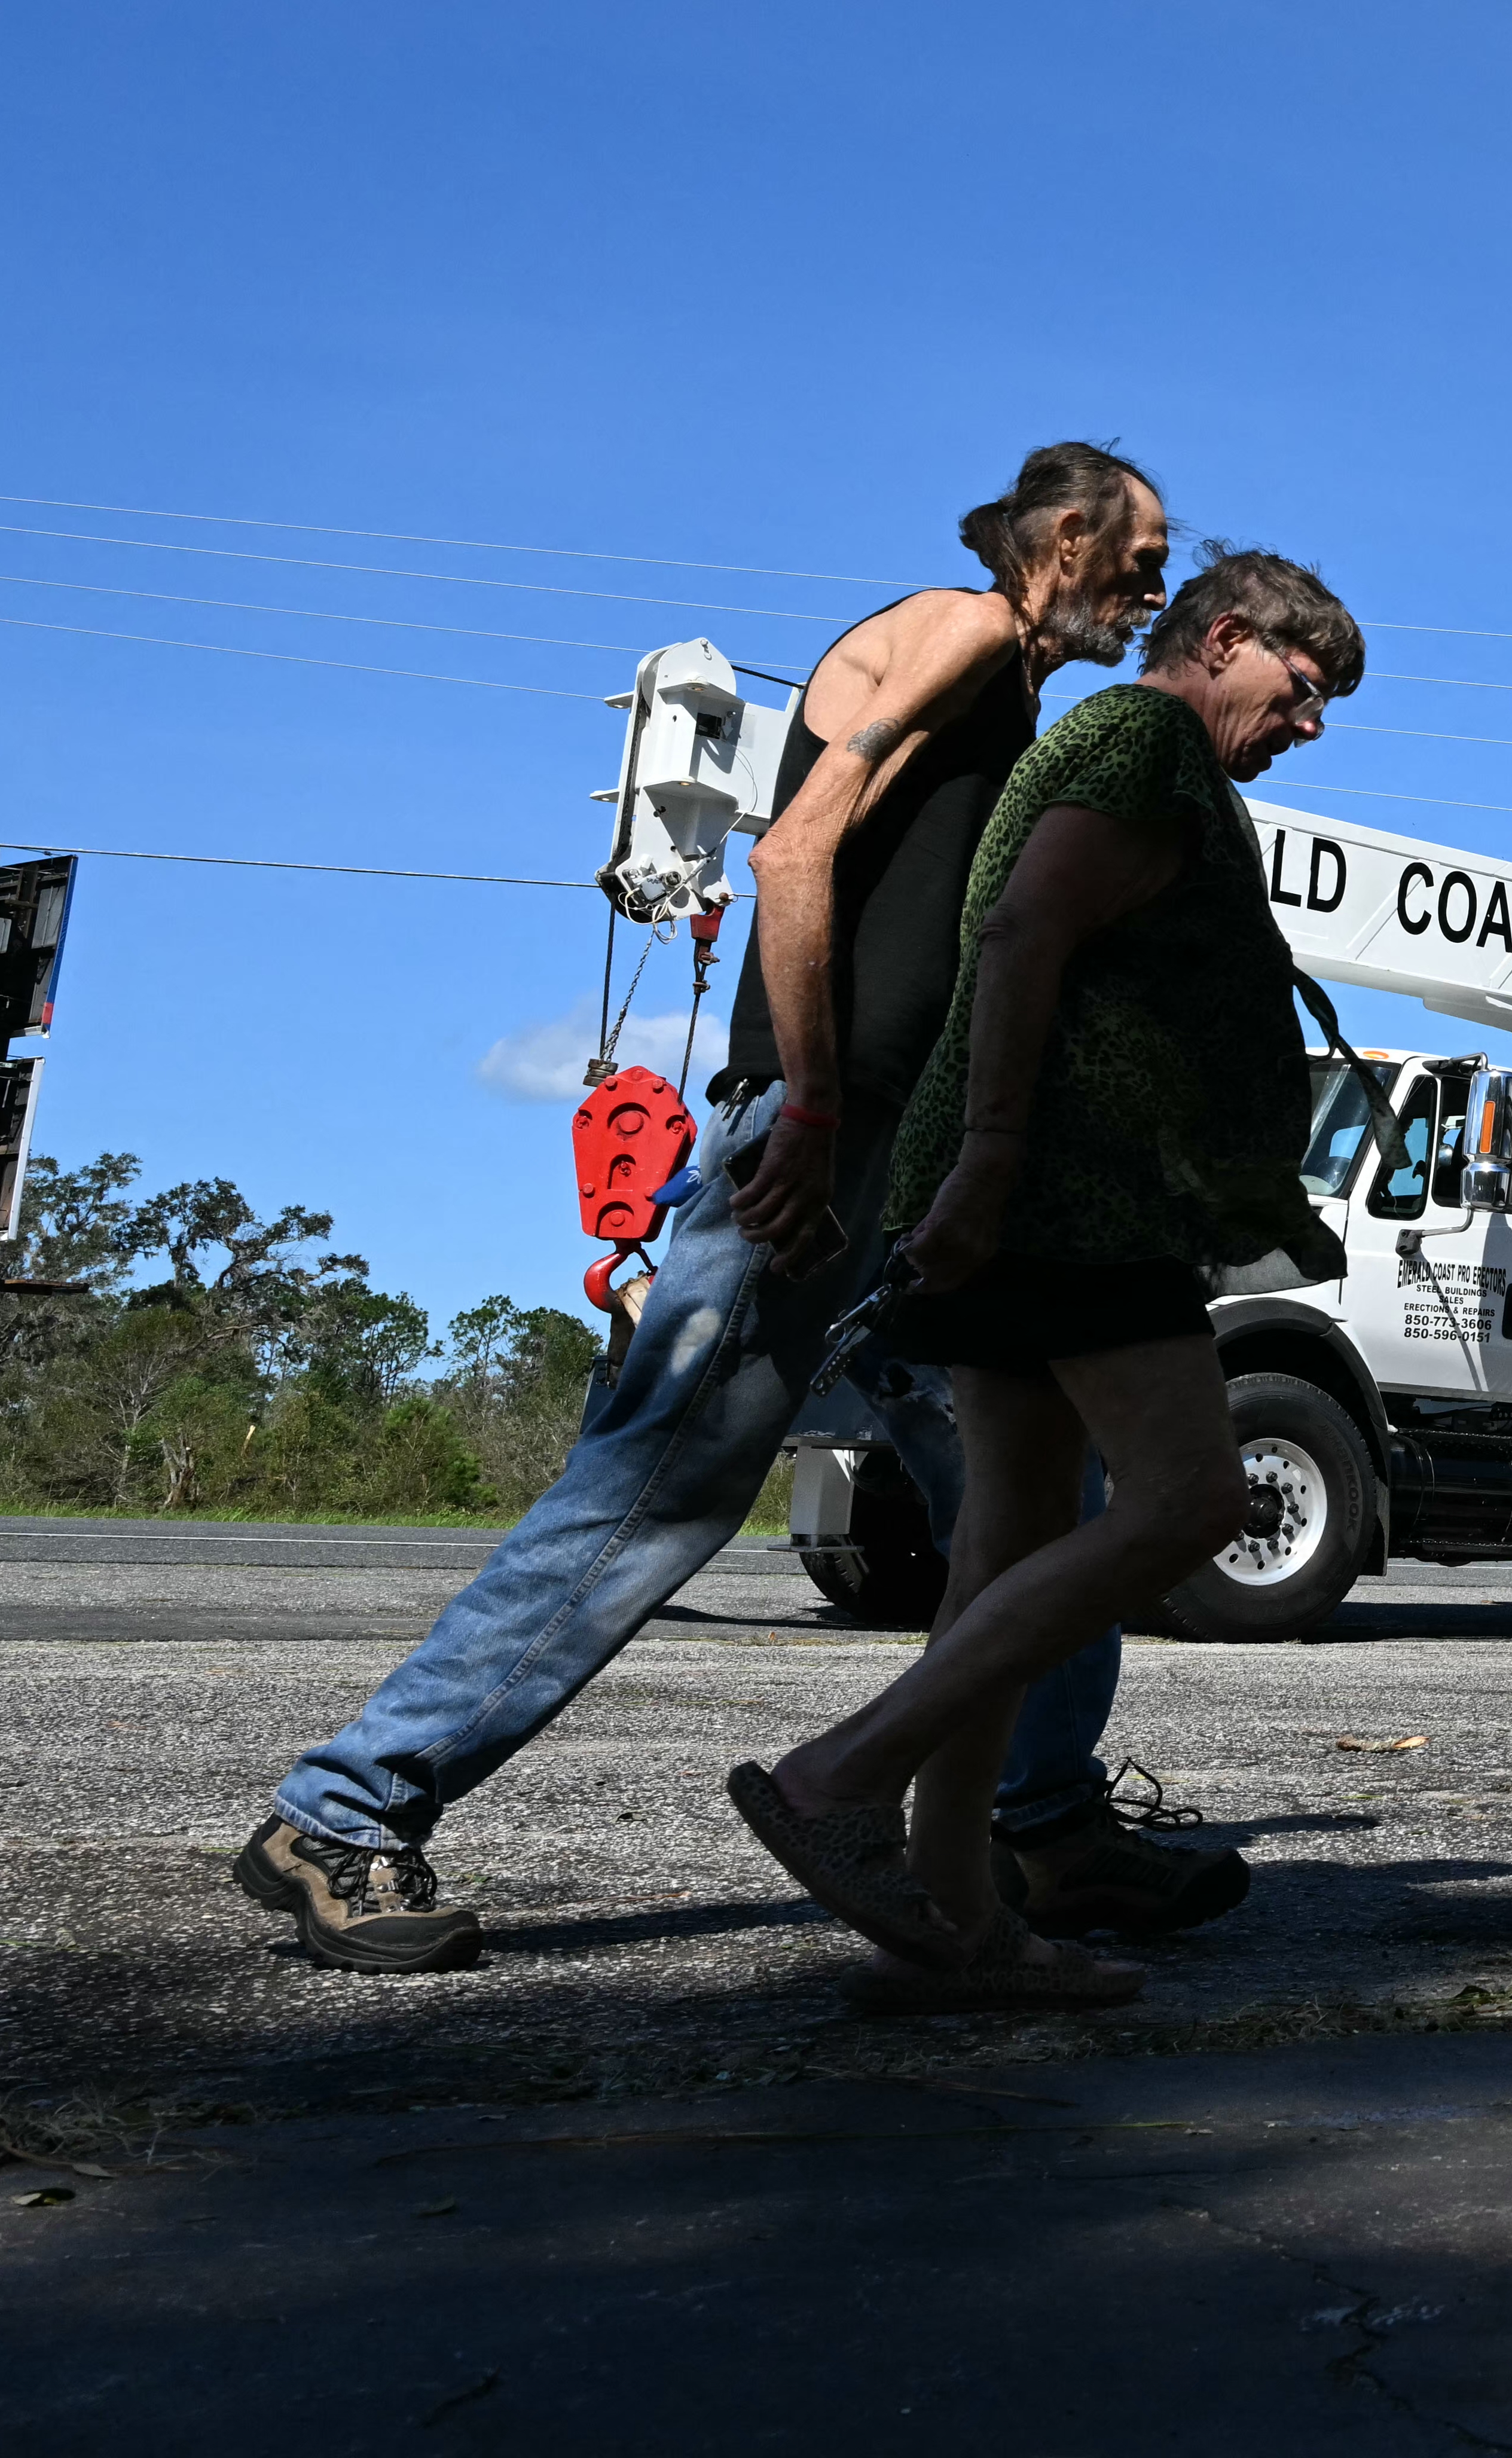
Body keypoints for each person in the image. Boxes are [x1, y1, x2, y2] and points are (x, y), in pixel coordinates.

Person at [236, 445, 1238, 1971]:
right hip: (818, 1155)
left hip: (894, 1170)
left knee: (1032, 1508)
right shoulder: (961, 634)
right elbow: (792, 852)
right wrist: (814, 1104)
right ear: (1064, 535)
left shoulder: (1013, 694)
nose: (1158, 580)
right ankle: (347, 1813)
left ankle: (1041, 1824)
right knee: (661, 1487)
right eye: (1144, 548)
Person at [726, 549, 1358, 2007]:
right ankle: (843, 1775)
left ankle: (961, 1911)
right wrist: (998, 1158)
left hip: (1034, 1184)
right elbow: (1022, 935)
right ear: (1227, 637)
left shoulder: (1123, 754)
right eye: (1304, 689)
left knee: (1005, 1548)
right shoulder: (1141, 739)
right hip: (1075, 1187)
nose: (1309, 725)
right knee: (1192, 1501)